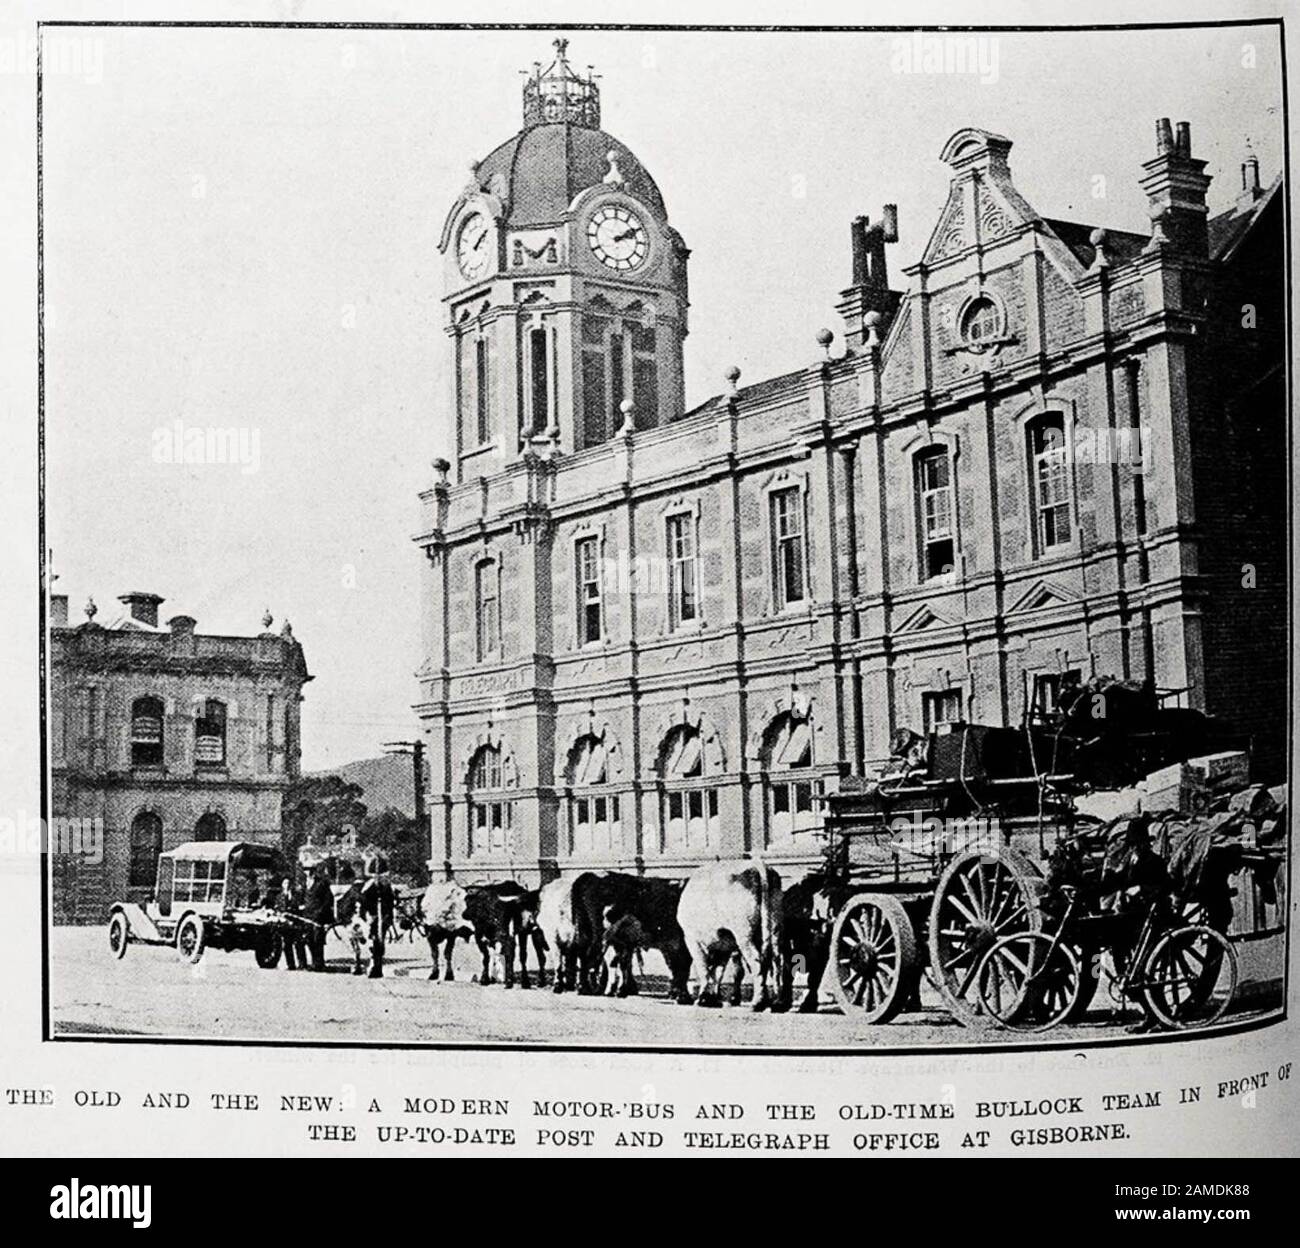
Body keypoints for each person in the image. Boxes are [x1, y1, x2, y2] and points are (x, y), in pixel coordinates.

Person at [358, 857, 395, 979]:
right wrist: (368, 915)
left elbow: (390, 902)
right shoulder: (368, 887)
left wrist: (387, 917)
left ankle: (378, 967)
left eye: (380, 874)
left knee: (380, 941)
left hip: (382, 917)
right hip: (371, 918)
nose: (377, 877)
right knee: (373, 941)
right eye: (375, 875)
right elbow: (363, 901)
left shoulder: (386, 887)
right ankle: (374, 964)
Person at [302, 865, 335, 972]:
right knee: (309, 939)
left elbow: (329, 899)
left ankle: (319, 963)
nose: (308, 872)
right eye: (306, 870)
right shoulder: (304, 883)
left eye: (310, 870)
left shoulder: (322, 883)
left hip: (318, 916)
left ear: (314, 871)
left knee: (318, 939)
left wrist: (321, 911)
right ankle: (314, 962)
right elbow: (302, 897)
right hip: (306, 916)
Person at [273, 875, 307, 971]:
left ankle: (302, 964)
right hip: (285, 924)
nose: (287, 885)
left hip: (295, 924)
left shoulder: (296, 896)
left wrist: (299, 909)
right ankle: (290, 965)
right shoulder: (279, 897)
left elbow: (300, 907)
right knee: (287, 944)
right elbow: (277, 909)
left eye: (288, 883)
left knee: (299, 944)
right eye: (285, 883)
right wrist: (280, 914)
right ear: (282, 885)